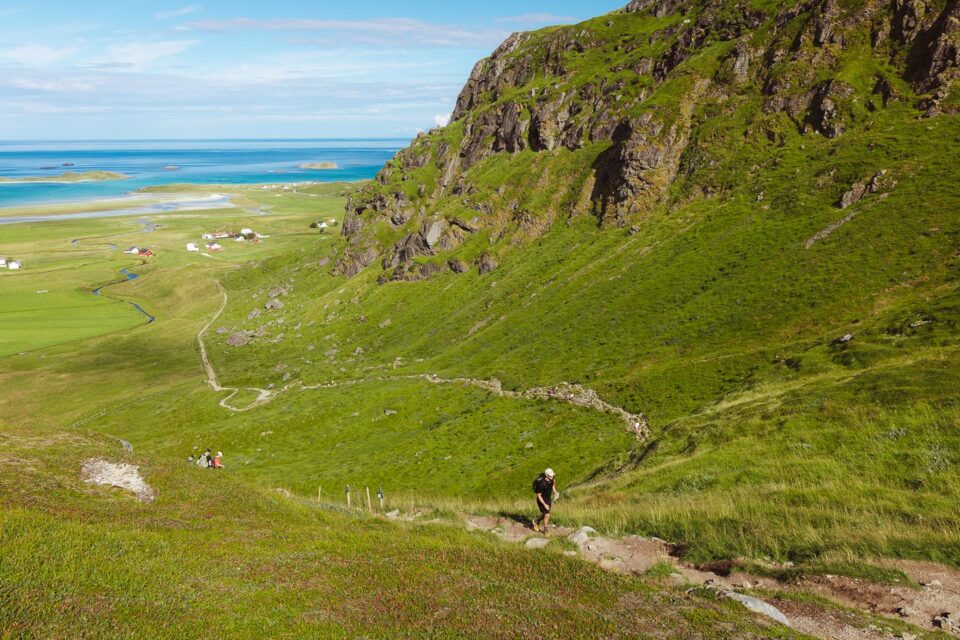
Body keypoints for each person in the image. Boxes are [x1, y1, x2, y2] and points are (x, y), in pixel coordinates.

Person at [532, 468, 557, 534]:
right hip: (541, 499)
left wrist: (555, 492)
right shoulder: (542, 484)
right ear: (546, 475)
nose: (552, 477)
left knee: (545, 513)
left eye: (552, 475)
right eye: (550, 475)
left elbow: (553, 484)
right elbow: (538, 495)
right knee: (547, 515)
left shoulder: (552, 478)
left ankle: (537, 521)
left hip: (548, 498)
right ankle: (545, 531)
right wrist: (544, 504)